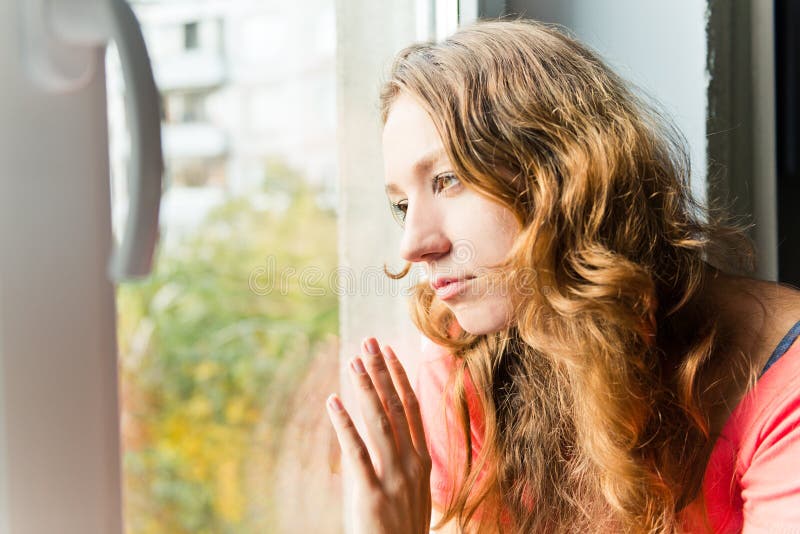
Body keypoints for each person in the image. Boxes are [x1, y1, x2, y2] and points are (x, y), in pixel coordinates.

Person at [325, 20, 800, 533]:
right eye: (401, 204)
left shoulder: (784, 393)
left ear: (558, 170)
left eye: (448, 179)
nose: (414, 245)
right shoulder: (474, 358)